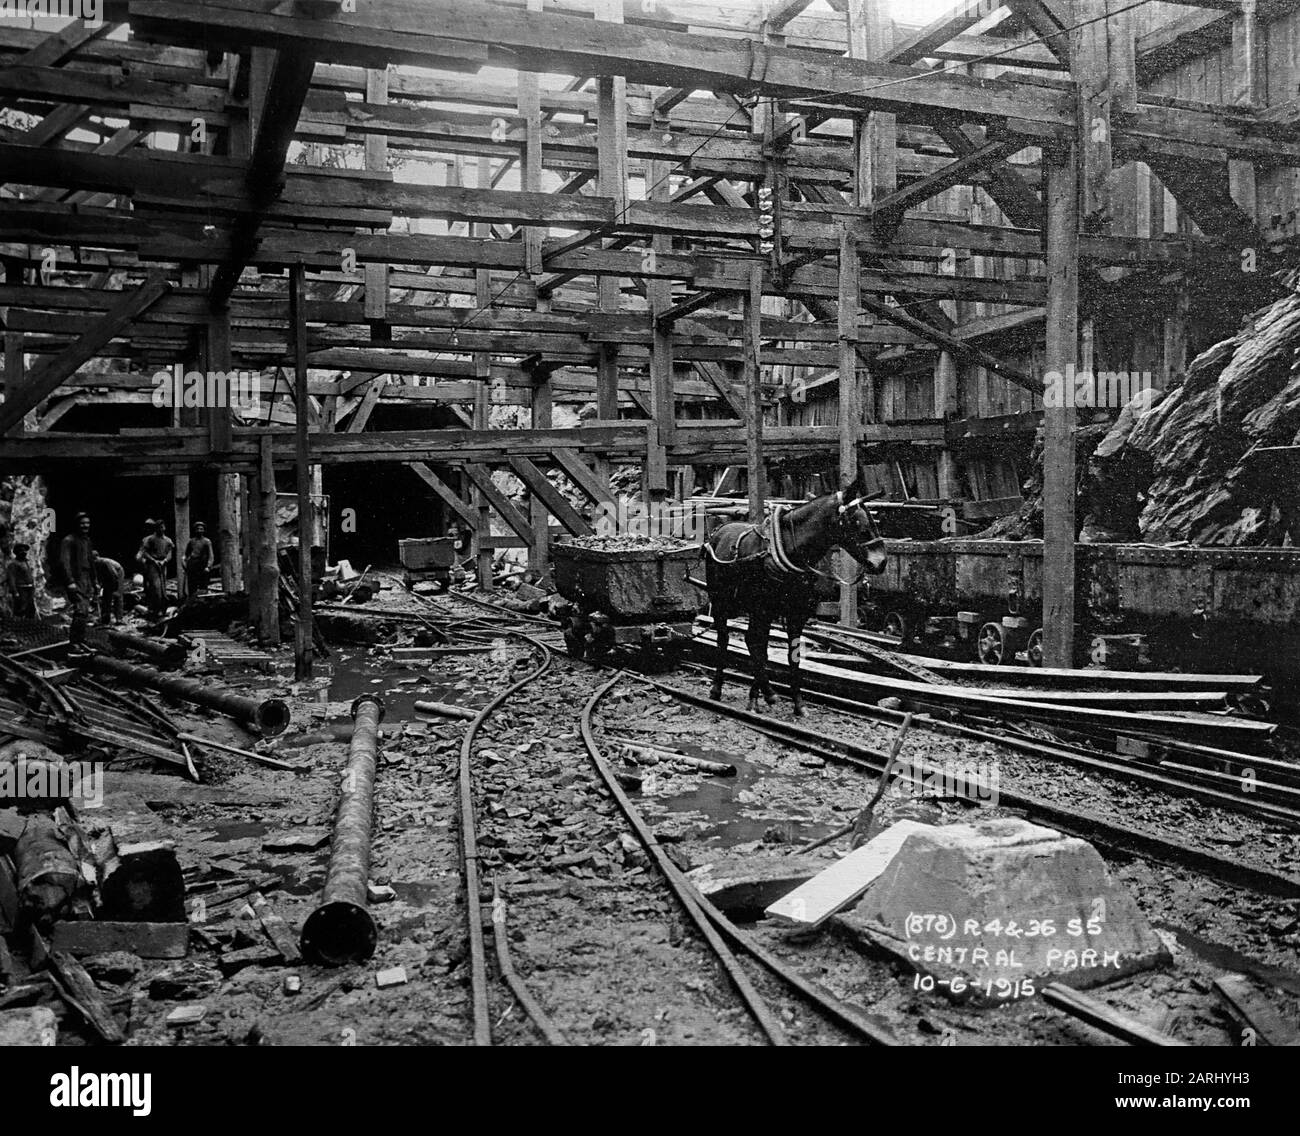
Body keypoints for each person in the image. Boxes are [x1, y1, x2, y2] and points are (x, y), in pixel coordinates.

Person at [59, 513, 98, 641]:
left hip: (86, 578)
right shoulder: (68, 540)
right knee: (80, 609)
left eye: (87, 523)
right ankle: (75, 642)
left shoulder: (87, 541)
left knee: (85, 611)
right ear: (76, 525)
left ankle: (79, 640)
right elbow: (65, 562)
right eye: (82, 523)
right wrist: (70, 581)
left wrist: (94, 581)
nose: (85, 526)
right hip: (77, 578)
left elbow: (91, 562)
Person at [136, 518, 175, 618]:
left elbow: (170, 552)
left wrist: (165, 560)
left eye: (162, 527)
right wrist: (153, 560)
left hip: (163, 564)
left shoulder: (168, 540)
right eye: (159, 527)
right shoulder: (149, 539)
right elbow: (144, 552)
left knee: (162, 588)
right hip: (152, 565)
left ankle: (162, 609)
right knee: (155, 587)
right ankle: (154, 609)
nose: (161, 529)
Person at [183, 522, 215, 599]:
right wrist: (184, 564)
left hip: (202, 565)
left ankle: (202, 602)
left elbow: (211, 555)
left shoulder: (207, 541)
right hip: (193, 564)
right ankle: (192, 601)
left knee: (203, 586)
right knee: (192, 585)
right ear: (195, 530)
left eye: (201, 529)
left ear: (204, 530)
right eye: (197, 529)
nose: (199, 530)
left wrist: (208, 566)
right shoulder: (191, 541)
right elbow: (186, 554)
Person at [4, 543, 36, 618]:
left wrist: (33, 586)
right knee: (22, 608)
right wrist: (15, 592)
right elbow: (11, 578)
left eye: (25, 550)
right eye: (21, 550)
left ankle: (30, 624)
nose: (24, 552)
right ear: (16, 552)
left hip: (29, 588)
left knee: (31, 608)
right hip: (21, 589)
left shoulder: (26, 562)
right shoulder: (13, 564)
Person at [95, 555, 126, 625]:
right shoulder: (97, 563)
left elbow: (113, 574)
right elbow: (99, 575)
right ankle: (105, 618)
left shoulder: (104, 562)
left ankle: (119, 619)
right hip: (108, 576)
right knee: (106, 596)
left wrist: (115, 587)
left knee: (117, 595)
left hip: (118, 573)